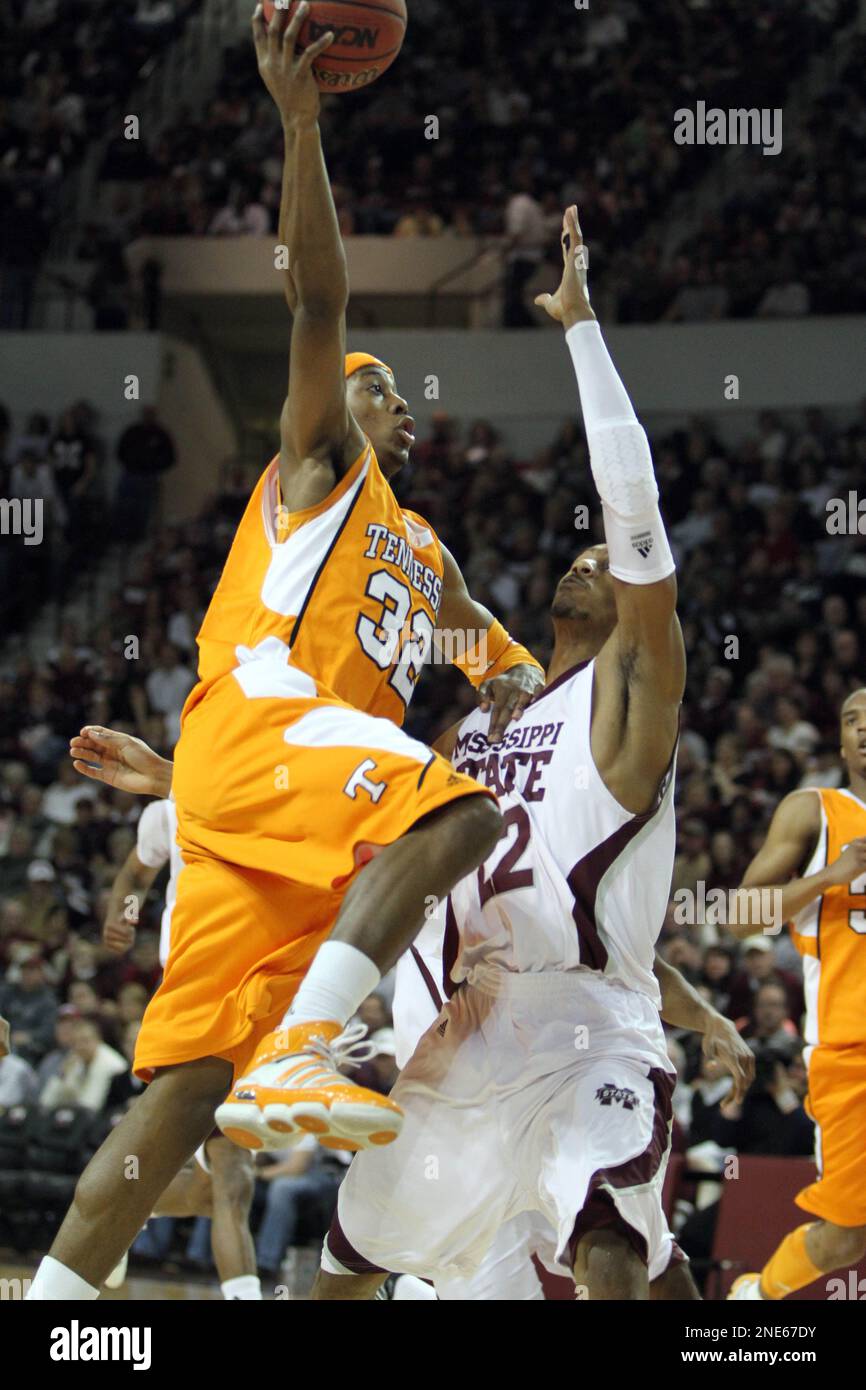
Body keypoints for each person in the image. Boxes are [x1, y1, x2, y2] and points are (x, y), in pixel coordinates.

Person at [26, 5, 541, 1301]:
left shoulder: (430, 564)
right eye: (372, 383)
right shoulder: (318, 468)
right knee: (458, 809)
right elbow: (319, 294)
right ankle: (313, 1043)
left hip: (263, 796)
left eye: (392, 398)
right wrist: (300, 122)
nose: (388, 403)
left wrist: (537, 682)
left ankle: (55, 1314)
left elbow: (517, 674)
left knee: (182, 1105)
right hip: (261, 721)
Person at [312, 204, 718, 1301]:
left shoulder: (631, 686)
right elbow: (355, 800)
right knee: (349, 1262)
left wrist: (581, 330)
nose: (589, 563)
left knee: (607, 1247)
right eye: (578, 554)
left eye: (604, 558)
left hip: (588, 1020)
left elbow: (631, 509)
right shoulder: (481, 722)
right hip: (466, 1027)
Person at [727, 686, 866, 1300]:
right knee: (845, 1239)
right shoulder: (816, 810)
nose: (863, 728)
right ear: (839, 741)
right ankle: (757, 1298)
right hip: (849, 1050)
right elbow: (737, 914)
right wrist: (830, 877)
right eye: (851, 719)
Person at [100, 794, 264, 1300]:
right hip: (193, 997)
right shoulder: (169, 809)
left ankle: (118, 1210)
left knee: (220, 1187)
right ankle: (114, 1208)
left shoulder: (277, 790)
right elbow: (134, 875)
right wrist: (123, 914)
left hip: (259, 1000)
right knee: (230, 1183)